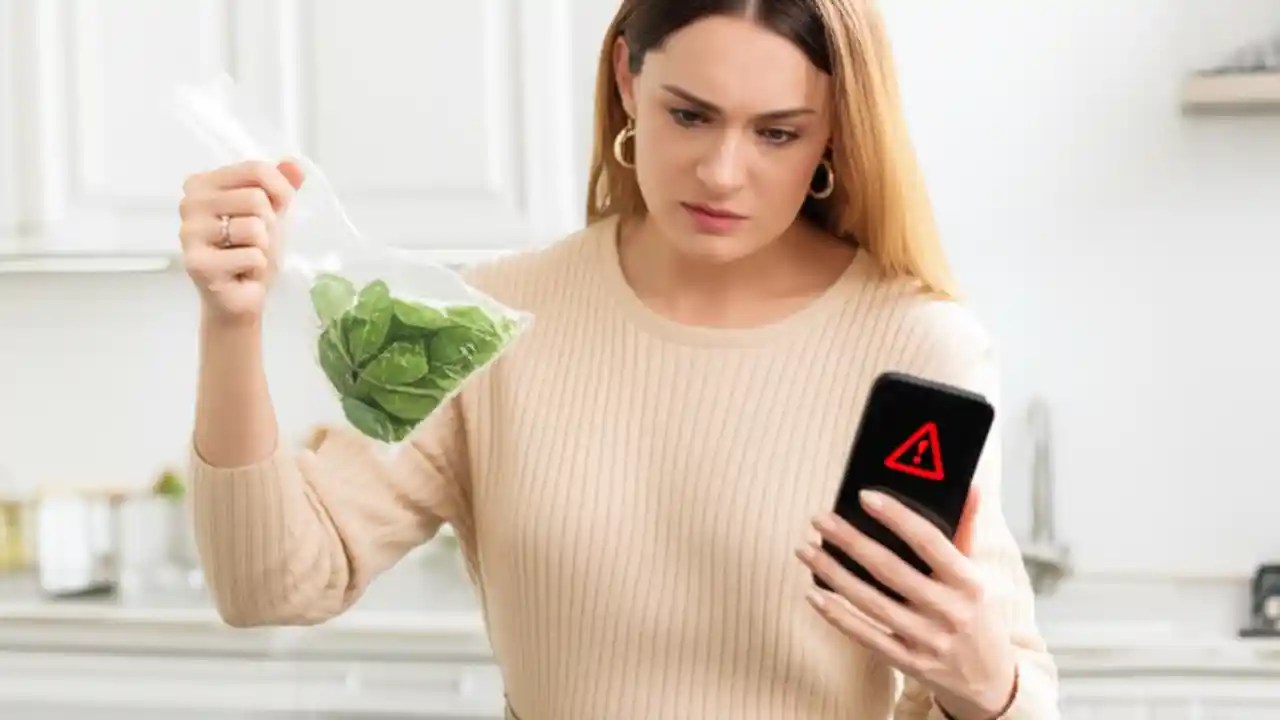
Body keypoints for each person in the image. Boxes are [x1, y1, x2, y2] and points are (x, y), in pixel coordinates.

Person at [177, 1, 1060, 718]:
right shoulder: (499, 317)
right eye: (690, 115)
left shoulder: (915, 346)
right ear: (628, 80)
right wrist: (230, 323)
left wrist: (986, 686)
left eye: (778, 133)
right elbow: (270, 584)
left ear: (834, 133)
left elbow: (1002, 693)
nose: (721, 171)